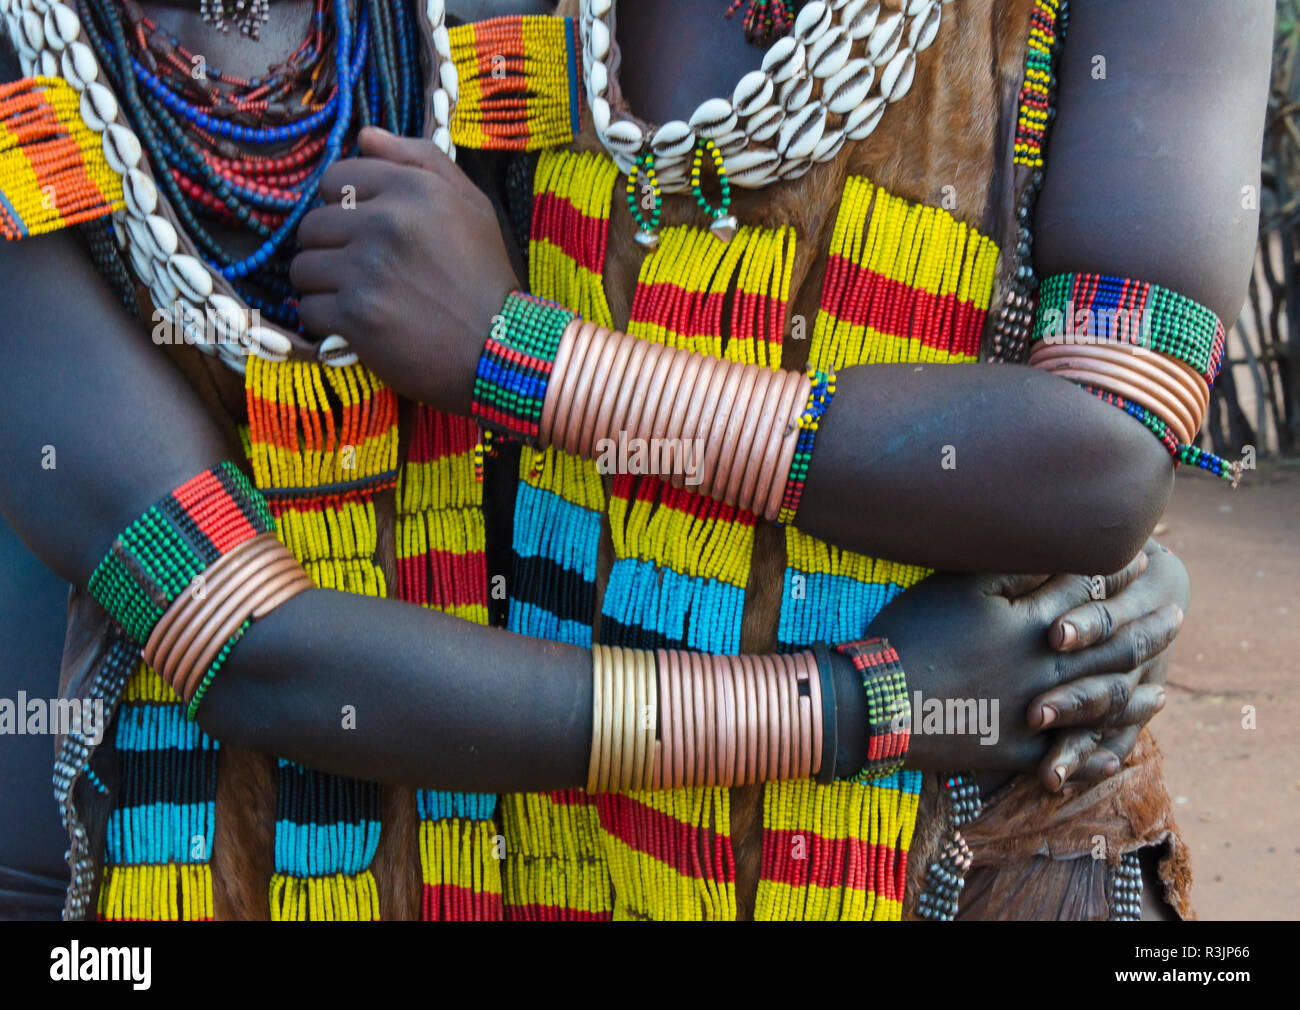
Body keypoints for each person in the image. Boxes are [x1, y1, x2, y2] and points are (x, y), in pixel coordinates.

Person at [0, 0, 1264, 920]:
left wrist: (520, 356)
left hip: (980, 848)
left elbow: (1102, 459)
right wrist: (858, 701)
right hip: (530, 843)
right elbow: (243, 641)